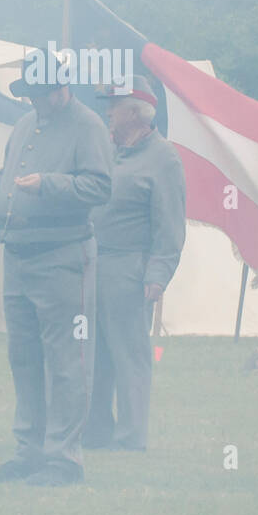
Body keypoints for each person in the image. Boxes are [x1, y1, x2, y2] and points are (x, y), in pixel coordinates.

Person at [0, 47, 112, 486]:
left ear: (62, 89)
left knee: (67, 361)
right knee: (24, 359)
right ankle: (29, 452)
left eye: (41, 93)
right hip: (19, 254)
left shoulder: (89, 126)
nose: (35, 101)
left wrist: (50, 184)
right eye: (31, 93)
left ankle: (64, 459)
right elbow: (11, 179)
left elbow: (100, 187)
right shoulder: (25, 124)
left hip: (63, 257)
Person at [83, 78, 186, 451]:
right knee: (92, 354)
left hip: (129, 269)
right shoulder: (106, 151)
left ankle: (130, 437)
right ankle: (94, 430)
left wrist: (158, 274)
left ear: (135, 113)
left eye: (114, 106)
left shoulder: (164, 158)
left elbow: (170, 225)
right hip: (90, 265)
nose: (107, 112)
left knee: (129, 356)